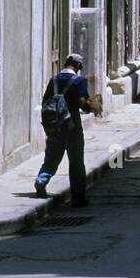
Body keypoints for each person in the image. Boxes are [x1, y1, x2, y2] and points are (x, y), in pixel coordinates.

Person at [34, 54, 100, 206]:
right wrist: (93, 107)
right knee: (76, 162)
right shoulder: (78, 82)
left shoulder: (54, 80)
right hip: (72, 129)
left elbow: (46, 102)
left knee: (51, 158)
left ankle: (41, 180)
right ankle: (78, 198)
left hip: (55, 127)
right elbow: (83, 104)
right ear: (78, 66)